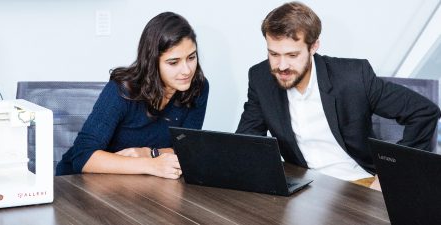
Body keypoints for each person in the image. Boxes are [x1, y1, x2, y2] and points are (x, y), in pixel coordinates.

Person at [236, 1, 440, 189]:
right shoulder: (260, 77)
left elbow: (424, 112)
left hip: (358, 182)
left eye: (292, 55)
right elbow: (247, 140)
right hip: (301, 184)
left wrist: (392, 173)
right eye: (273, 54)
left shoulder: (353, 77)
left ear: (314, 46)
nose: (281, 66)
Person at [56, 12, 209, 179]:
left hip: (138, 185)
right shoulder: (122, 90)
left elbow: (185, 149)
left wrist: (149, 153)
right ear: (152, 62)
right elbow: (82, 157)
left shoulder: (197, 88)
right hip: (80, 184)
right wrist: (151, 164)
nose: (187, 70)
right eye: (173, 62)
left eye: (191, 57)